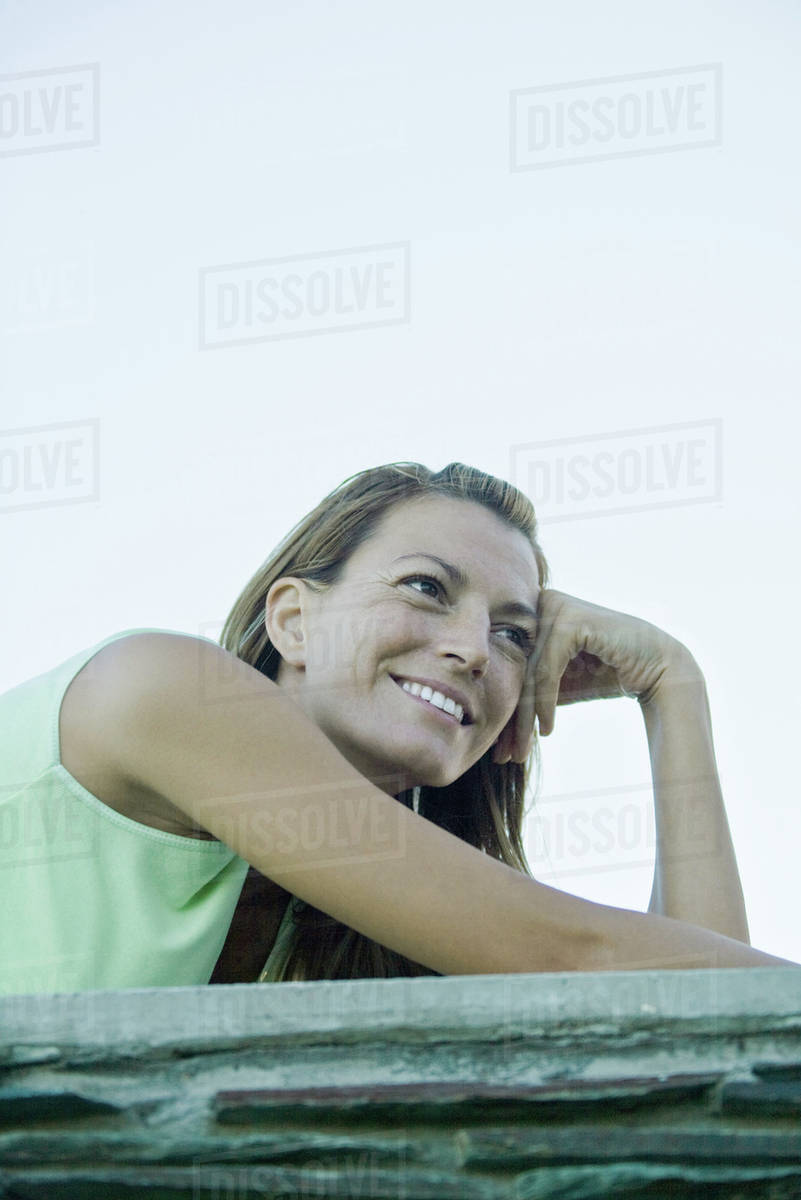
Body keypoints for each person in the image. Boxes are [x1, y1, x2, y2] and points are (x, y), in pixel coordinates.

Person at [0, 461, 796, 994]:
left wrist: (669, 688)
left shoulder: (360, 928)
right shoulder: (162, 688)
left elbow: (705, 1031)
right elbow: (586, 956)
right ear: (294, 619)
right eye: (424, 587)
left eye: (514, 633)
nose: (473, 649)